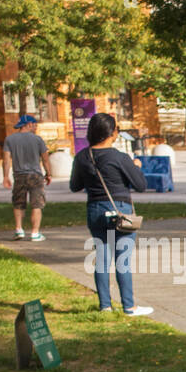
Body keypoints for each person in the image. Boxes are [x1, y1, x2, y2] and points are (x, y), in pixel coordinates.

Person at [69, 112, 153, 316]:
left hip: (95, 210)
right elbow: (141, 186)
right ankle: (129, 306)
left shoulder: (82, 156)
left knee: (102, 258)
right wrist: (136, 167)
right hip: (119, 211)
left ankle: (105, 305)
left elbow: (75, 186)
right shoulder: (119, 157)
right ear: (112, 132)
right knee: (122, 259)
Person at [2, 114, 53, 241]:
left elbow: (6, 160)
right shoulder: (38, 140)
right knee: (37, 204)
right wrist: (49, 174)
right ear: (29, 124)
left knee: (18, 203)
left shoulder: (10, 140)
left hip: (19, 176)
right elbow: (45, 159)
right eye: (35, 125)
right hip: (35, 176)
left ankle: (19, 229)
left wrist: (5, 176)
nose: (35, 127)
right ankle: (35, 233)